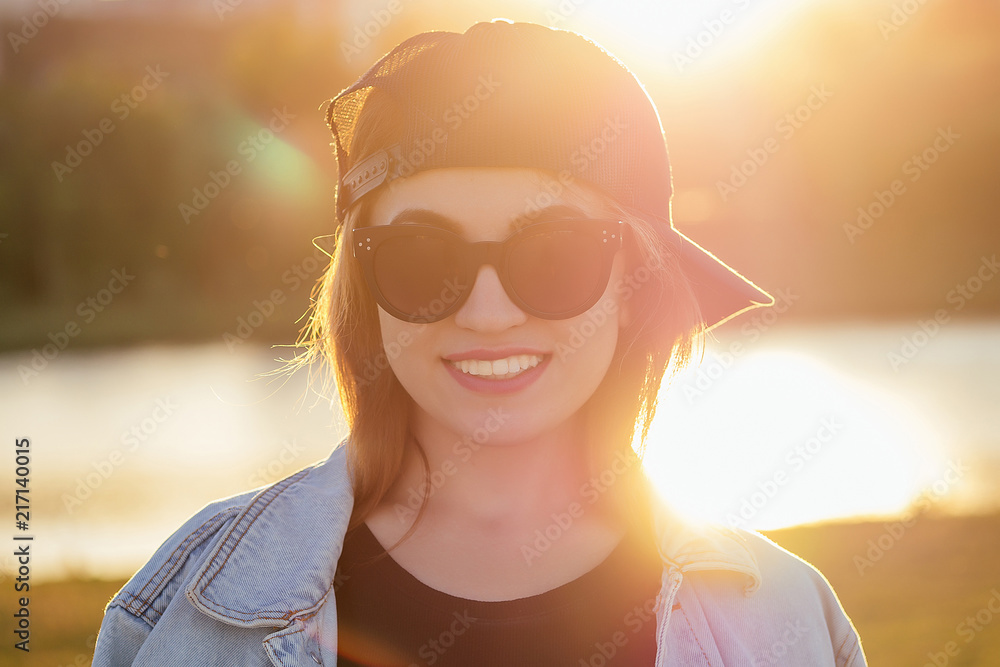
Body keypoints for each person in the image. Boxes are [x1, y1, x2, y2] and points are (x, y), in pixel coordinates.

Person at [93, 20, 866, 666]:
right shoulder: (192, 604)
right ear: (365, 290)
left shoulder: (782, 615)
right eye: (421, 258)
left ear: (635, 285)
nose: (487, 313)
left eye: (555, 255)